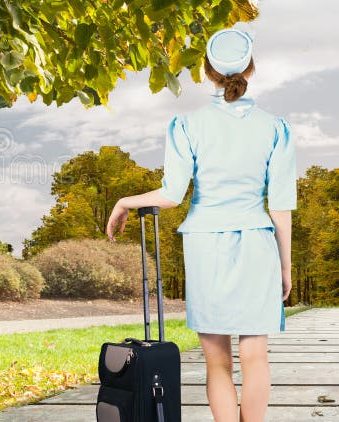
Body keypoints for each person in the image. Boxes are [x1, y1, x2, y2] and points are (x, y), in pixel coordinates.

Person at [105, 27, 297, 422]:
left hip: (206, 246)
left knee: (217, 363)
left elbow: (171, 194)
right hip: (257, 245)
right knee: (256, 357)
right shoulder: (275, 127)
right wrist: (285, 266)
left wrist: (125, 200)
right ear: (250, 69)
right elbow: (279, 206)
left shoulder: (186, 125)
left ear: (207, 72)